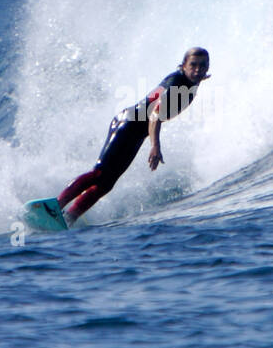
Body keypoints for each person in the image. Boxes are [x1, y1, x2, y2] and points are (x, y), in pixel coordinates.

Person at [56, 48, 211, 224]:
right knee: (99, 173)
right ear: (183, 65)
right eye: (193, 65)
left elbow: (194, 77)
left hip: (137, 133)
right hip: (128, 124)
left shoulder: (191, 80)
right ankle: (55, 207)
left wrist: (199, 76)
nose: (198, 69)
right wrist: (155, 146)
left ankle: (69, 218)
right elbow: (154, 115)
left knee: (106, 183)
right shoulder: (177, 84)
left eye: (202, 66)